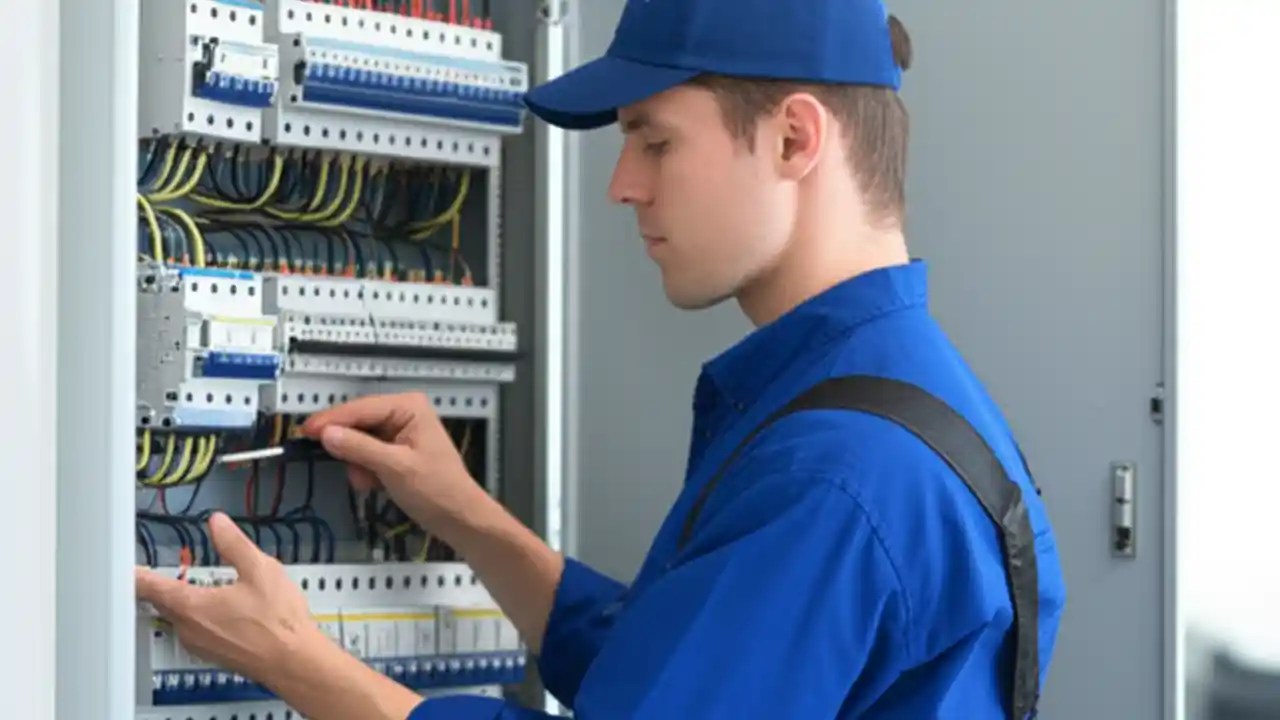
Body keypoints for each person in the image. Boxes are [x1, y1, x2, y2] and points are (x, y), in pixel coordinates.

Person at [136, 0, 1068, 718]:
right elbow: (675, 670)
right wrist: (467, 517)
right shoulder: (896, 400)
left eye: (654, 141)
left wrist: (295, 660)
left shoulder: (838, 476)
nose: (624, 186)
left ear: (794, 138)